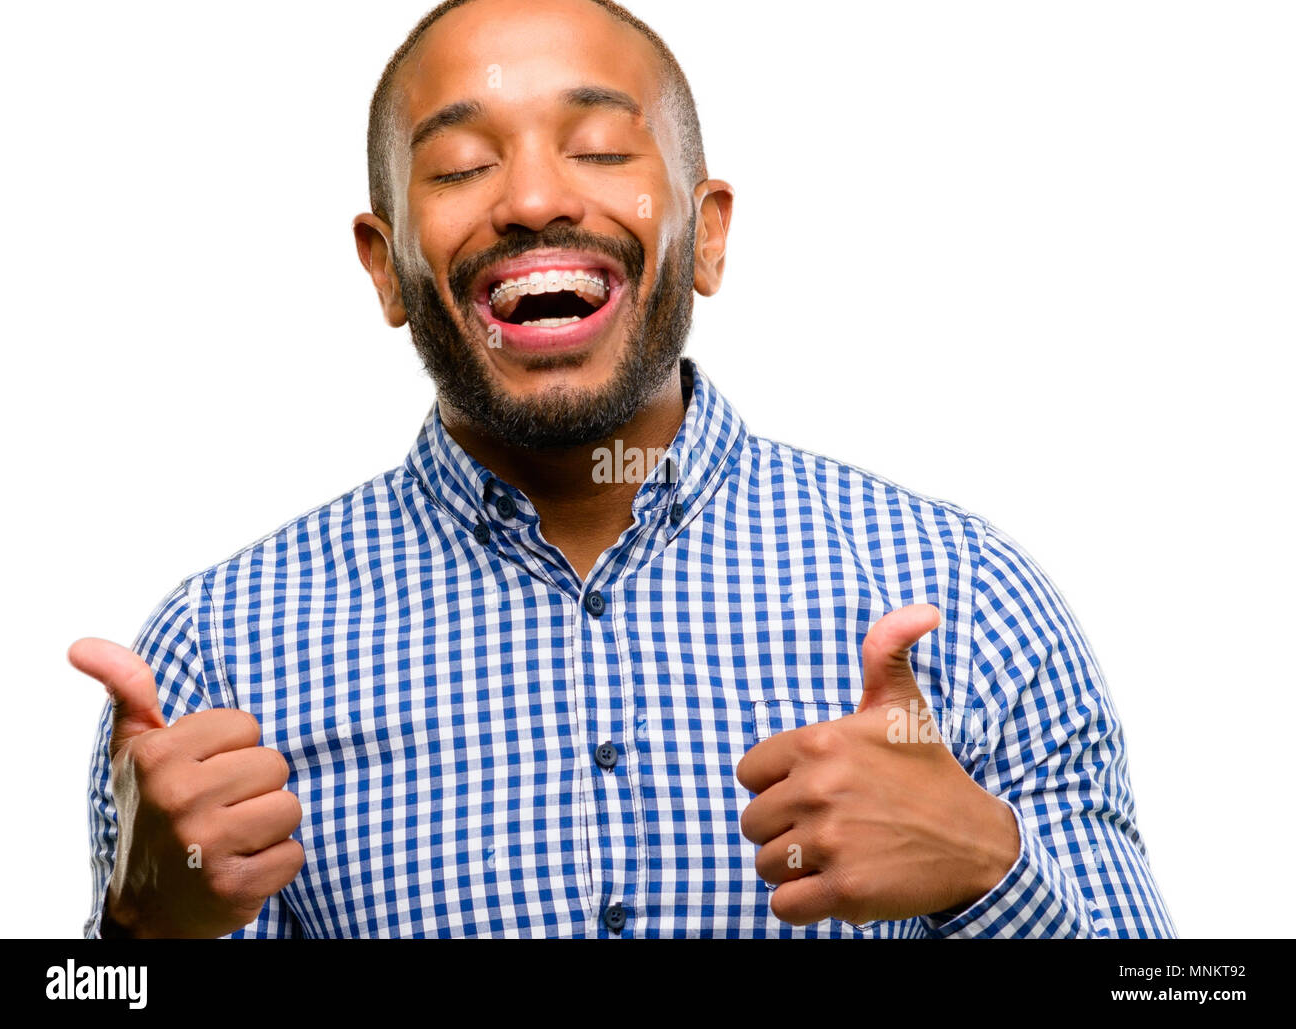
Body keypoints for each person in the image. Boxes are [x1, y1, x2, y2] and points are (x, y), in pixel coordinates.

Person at [69, 0, 1176, 938]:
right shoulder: (215, 654)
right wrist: (138, 936)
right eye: (459, 164)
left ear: (706, 236)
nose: (535, 200)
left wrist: (992, 873)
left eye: (599, 148)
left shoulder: (966, 598)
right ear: (386, 267)